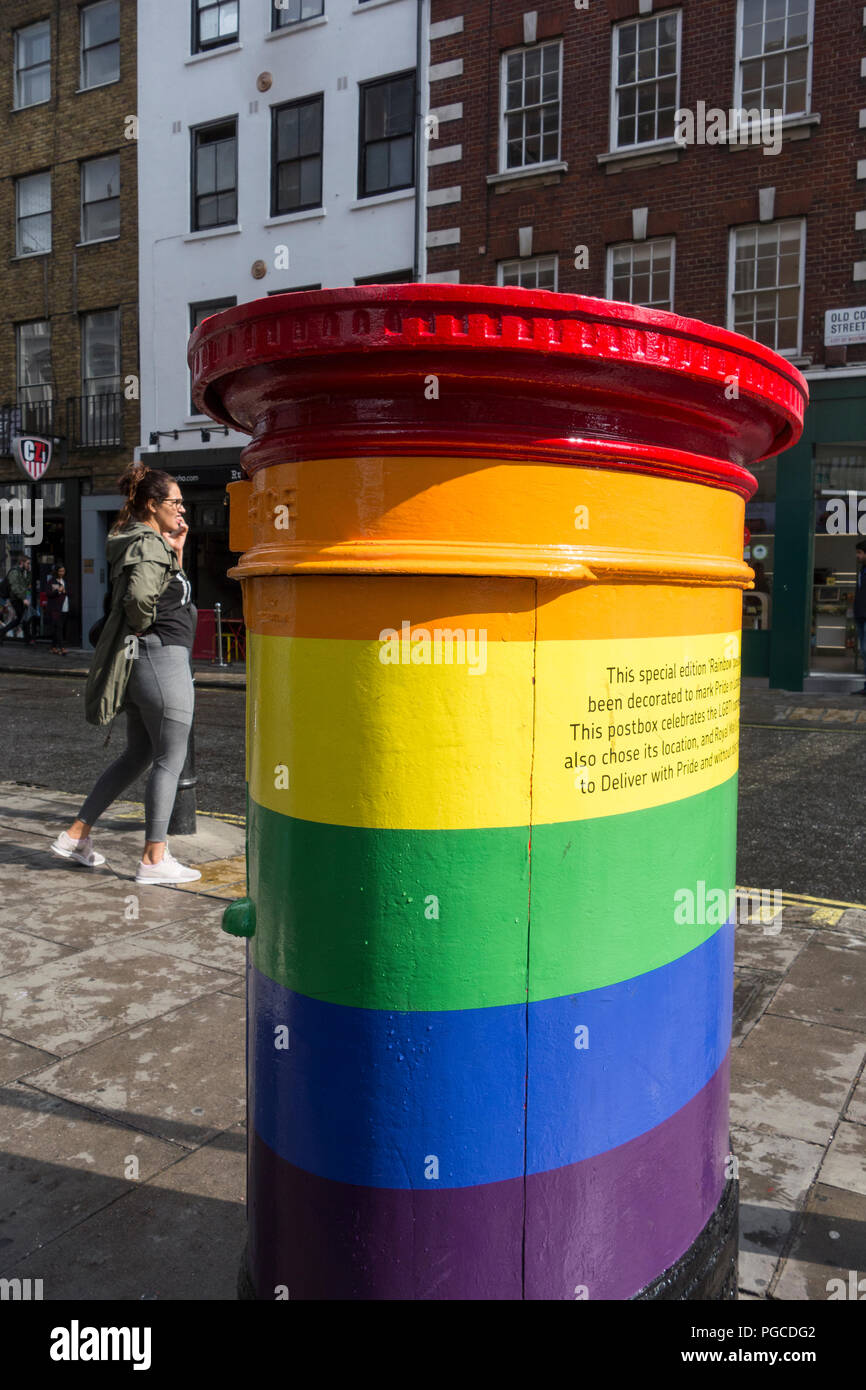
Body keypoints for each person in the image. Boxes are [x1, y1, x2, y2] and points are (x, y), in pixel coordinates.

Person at [51, 463, 201, 884]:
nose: (182, 510)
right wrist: (143, 621)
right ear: (152, 505)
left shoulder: (146, 542)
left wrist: (177, 551)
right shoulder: (147, 545)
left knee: (137, 754)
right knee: (170, 758)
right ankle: (154, 858)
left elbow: (168, 588)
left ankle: (76, 835)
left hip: (145, 659)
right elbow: (140, 598)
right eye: (175, 502)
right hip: (161, 658)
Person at [0, 553, 34, 644]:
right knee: (23, 618)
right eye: (28, 563)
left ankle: (27, 638)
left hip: (20, 598)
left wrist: (29, 572)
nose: (29, 565)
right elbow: (15, 588)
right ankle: (28, 639)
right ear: (21, 562)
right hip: (16, 599)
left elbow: (26, 585)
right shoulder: (14, 572)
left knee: (23, 618)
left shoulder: (22, 571)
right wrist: (23, 599)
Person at [46, 564, 69, 654]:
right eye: (60, 571)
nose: (62, 573)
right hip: (55, 608)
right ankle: (62, 647)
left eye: (63, 571)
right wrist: (58, 590)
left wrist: (64, 591)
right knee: (59, 627)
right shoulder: (52, 581)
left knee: (58, 628)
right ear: (56, 571)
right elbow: (48, 593)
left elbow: (68, 592)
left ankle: (53, 647)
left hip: (64, 606)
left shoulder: (64, 581)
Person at [855, 540, 866, 695]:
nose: (857, 555)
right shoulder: (862, 570)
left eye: (859, 553)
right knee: (864, 651)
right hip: (861, 615)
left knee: (865, 649)